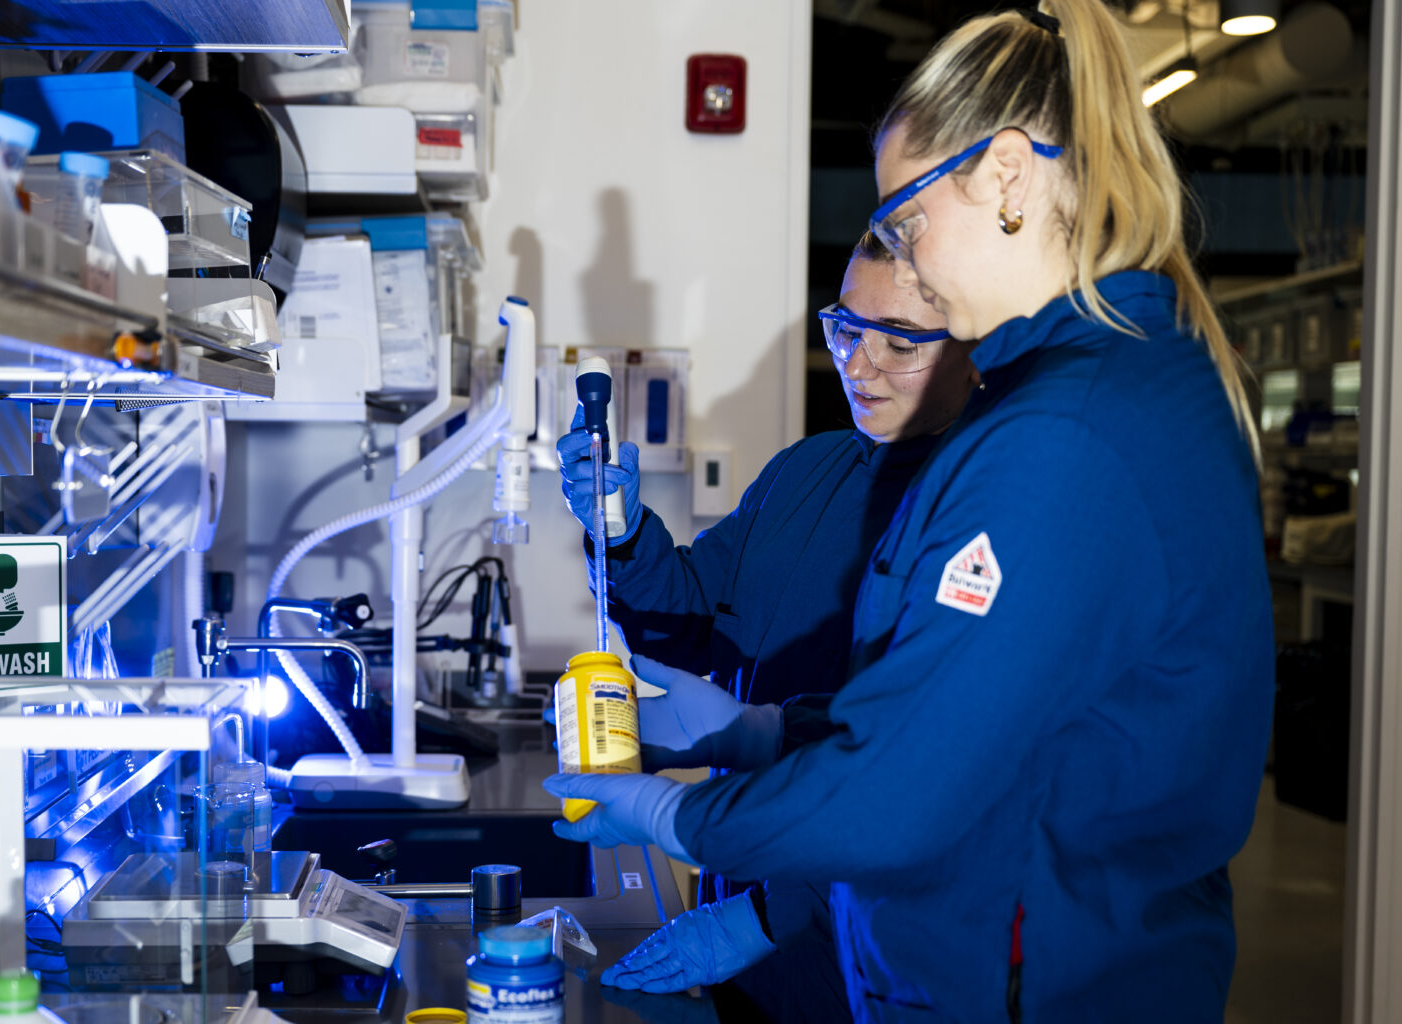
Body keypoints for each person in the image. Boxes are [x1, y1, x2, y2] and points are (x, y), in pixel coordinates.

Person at [544, 2, 1274, 1021]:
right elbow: (984, 718)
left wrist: (680, 815)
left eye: (909, 221)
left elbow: (900, 792)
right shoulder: (1131, 388)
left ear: (1009, 178)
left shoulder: (1062, 440)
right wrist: (755, 730)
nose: (911, 263)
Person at [554, 236, 978, 1018]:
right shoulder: (807, 471)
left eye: (898, 342)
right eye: (845, 330)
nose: (857, 364)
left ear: (973, 345)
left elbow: (939, 776)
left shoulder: (979, 513)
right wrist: (617, 530)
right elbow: (689, 617)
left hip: (864, 944)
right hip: (740, 888)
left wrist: (769, 915)